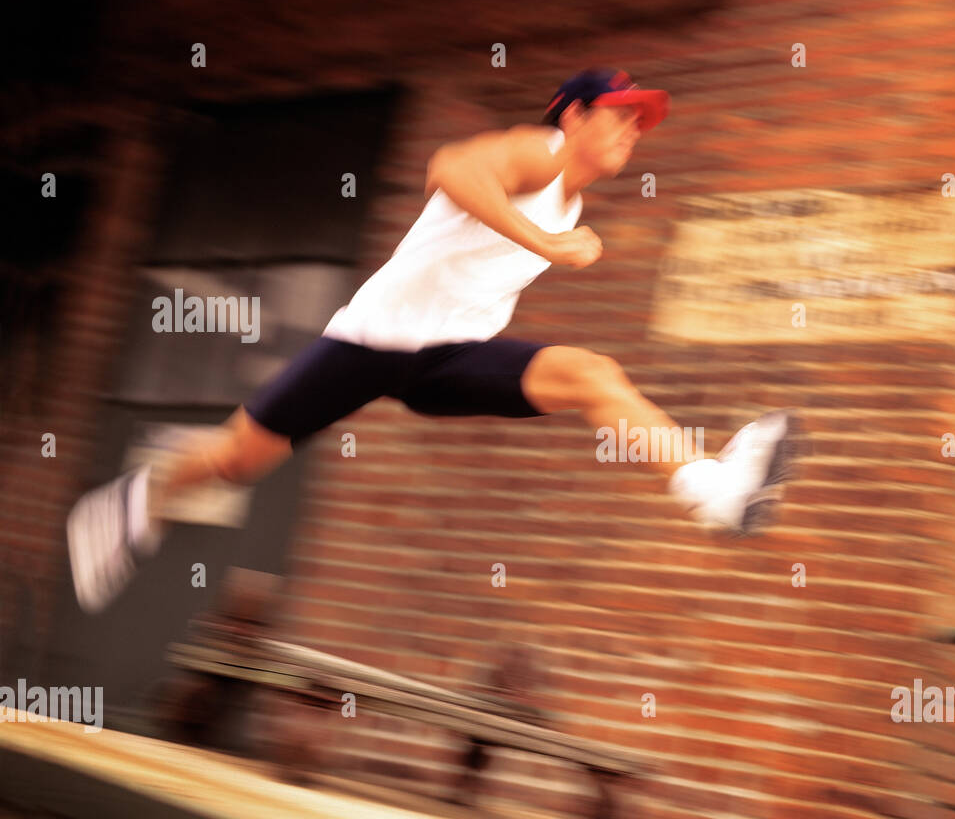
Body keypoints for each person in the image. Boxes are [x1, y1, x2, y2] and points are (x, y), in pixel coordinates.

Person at [67, 68, 803, 615]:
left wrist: (552, 235)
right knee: (238, 460)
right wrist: (546, 240)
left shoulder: (570, 196)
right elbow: (448, 169)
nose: (630, 131)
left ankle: (715, 492)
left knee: (593, 376)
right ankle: (139, 498)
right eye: (618, 115)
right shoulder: (537, 152)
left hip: (450, 358)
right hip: (370, 343)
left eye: (639, 123)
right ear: (573, 116)